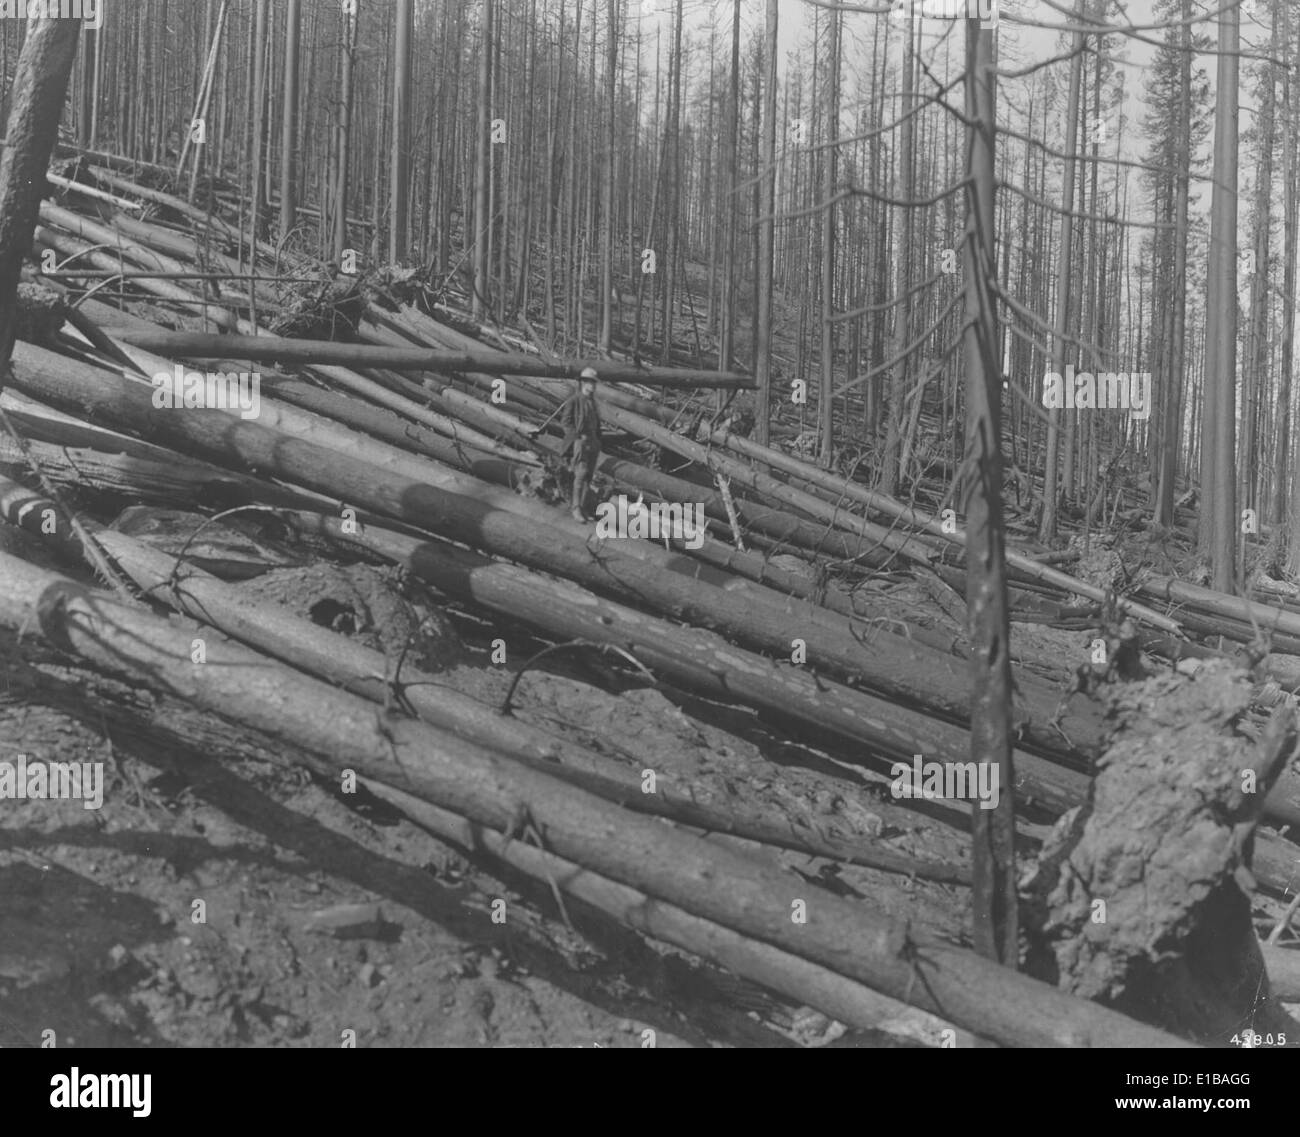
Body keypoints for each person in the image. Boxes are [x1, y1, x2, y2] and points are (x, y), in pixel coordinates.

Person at [560, 367, 601, 521]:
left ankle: (583, 508)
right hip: (580, 442)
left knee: (589, 476)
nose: (593, 385)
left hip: (593, 443)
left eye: (594, 382)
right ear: (583, 383)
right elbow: (565, 423)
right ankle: (576, 508)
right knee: (581, 473)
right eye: (591, 382)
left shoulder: (593, 402)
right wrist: (577, 438)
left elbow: (597, 424)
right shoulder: (574, 400)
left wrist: (597, 440)